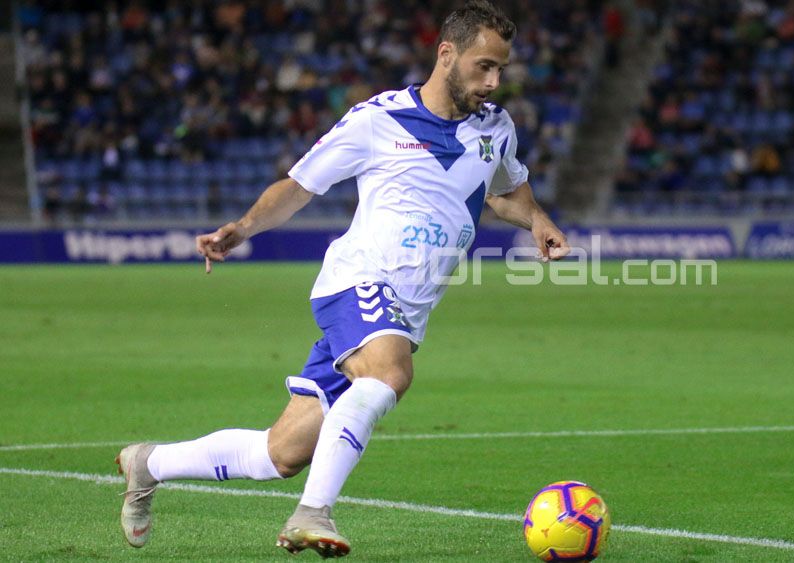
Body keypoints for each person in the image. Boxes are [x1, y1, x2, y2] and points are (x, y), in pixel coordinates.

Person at [114, 0, 569, 558]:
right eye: (484, 67)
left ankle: (148, 463)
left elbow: (505, 191)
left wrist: (537, 218)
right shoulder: (377, 120)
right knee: (389, 374)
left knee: (279, 454)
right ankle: (313, 513)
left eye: (501, 69)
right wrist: (245, 228)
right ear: (446, 54)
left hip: (404, 310)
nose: (494, 81)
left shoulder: (496, 127)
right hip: (358, 282)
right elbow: (301, 184)